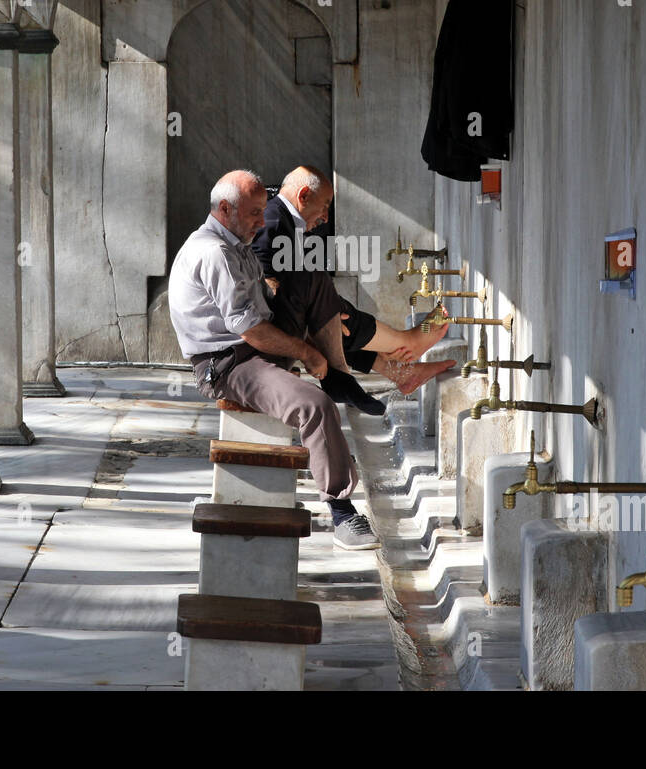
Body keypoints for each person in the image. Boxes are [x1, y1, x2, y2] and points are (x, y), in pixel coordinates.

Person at [168, 169, 381, 550]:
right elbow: (249, 329)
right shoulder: (214, 252)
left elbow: (259, 300)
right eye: (253, 213)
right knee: (313, 405)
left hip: (255, 342)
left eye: (262, 212)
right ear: (224, 209)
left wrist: (280, 291)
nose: (260, 222)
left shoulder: (235, 240)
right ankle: (342, 510)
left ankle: (336, 377)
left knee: (309, 276)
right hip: (230, 364)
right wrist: (305, 350)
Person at [252, 165, 457, 393]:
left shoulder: (282, 219)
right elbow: (270, 292)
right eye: (325, 206)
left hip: (285, 318)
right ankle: (407, 344)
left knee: (333, 311)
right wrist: (318, 315)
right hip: (269, 333)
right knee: (333, 316)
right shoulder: (274, 224)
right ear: (304, 196)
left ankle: (399, 371)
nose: (325, 217)